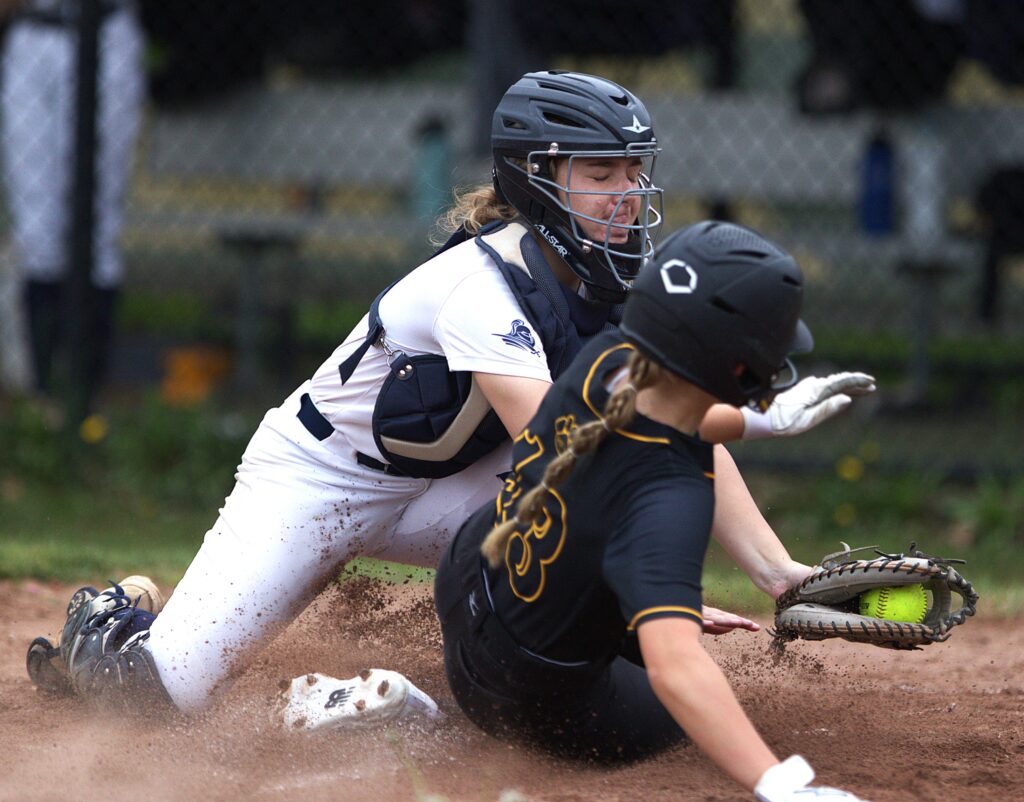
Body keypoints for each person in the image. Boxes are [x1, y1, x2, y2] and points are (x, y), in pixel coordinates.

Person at [26, 72, 873, 718]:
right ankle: (110, 618)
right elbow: (561, 435)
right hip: (320, 480)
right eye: (600, 171)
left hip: (448, 488)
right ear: (540, 178)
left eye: (633, 170)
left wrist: (780, 575)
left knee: (617, 484)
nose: (626, 191)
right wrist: (746, 434)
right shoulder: (482, 283)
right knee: (156, 702)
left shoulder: (615, 282)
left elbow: (670, 430)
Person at [433, 220, 889, 802]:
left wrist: (763, 420)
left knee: (604, 595)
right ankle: (426, 716)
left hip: (470, 578)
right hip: (523, 698)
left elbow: (672, 418)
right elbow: (678, 670)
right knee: (680, 693)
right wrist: (776, 782)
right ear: (734, 363)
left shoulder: (609, 362)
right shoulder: (669, 498)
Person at [1, 0, 145, 406]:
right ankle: (45, 393)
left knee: (97, 222)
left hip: (106, 29)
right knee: (37, 228)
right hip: (31, 32)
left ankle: (87, 393)